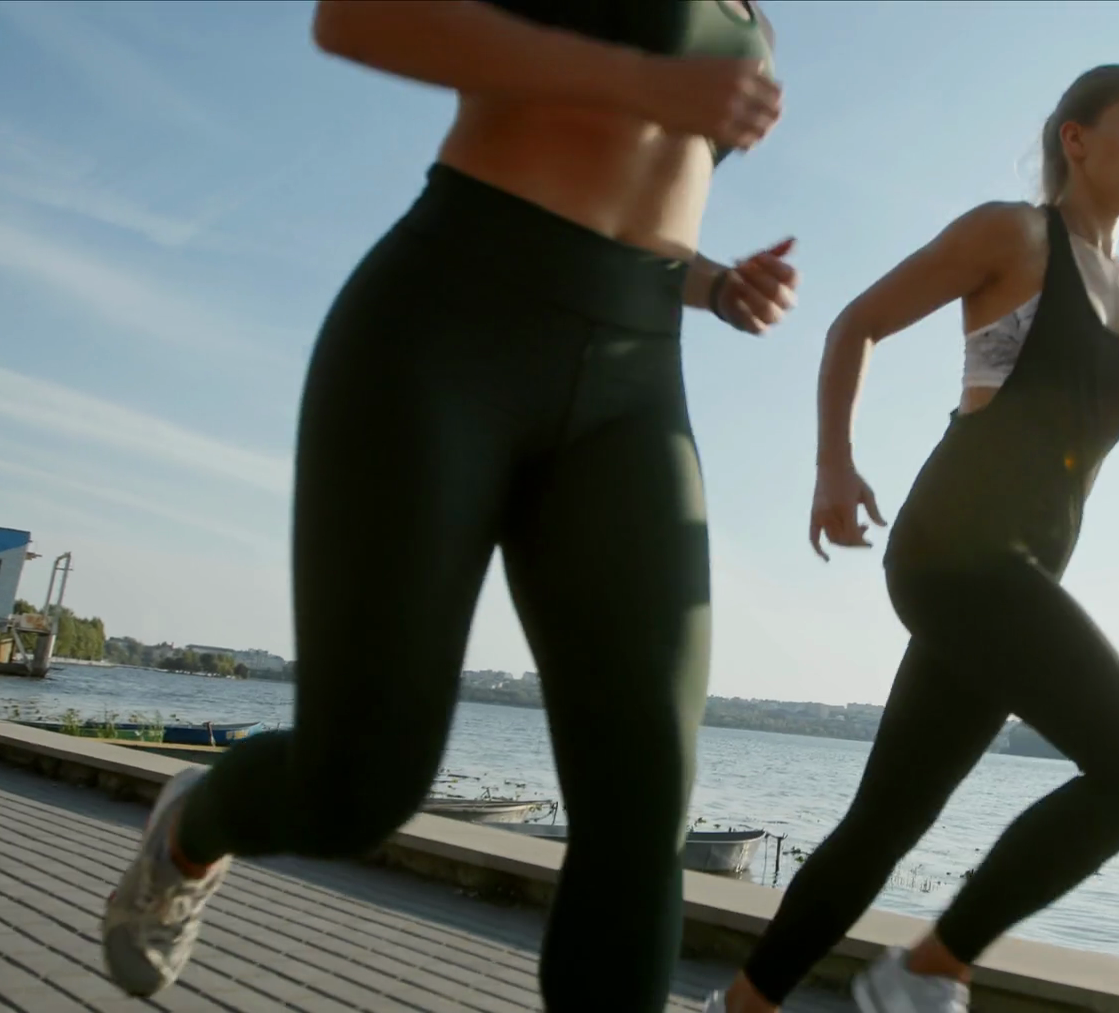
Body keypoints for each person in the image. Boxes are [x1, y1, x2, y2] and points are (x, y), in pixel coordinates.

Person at [100, 3, 798, 1010]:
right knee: (360, 786)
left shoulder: (757, 19)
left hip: (635, 382)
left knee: (644, 800)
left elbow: (625, 180)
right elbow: (354, 19)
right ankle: (193, 824)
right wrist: (642, 81)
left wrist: (716, 282)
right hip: (447, 329)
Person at [707, 64, 1119, 1013]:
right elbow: (858, 323)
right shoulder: (1015, 237)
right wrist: (833, 464)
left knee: (884, 823)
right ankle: (930, 967)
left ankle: (736, 1007)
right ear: (1077, 137)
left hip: (1016, 575)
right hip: (954, 549)